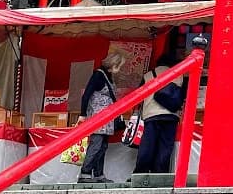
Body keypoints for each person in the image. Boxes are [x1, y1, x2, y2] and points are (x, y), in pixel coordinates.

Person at [77, 51, 126, 183]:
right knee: (96, 144)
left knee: (103, 146)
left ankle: (99, 174)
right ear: (113, 63)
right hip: (98, 117)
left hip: (107, 118)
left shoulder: (107, 76)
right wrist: (82, 114)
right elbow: (86, 94)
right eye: (119, 65)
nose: (119, 69)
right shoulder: (98, 75)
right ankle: (85, 173)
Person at [133, 53, 183, 174]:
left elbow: (139, 95)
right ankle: (159, 173)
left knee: (148, 145)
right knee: (165, 146)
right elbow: (182, 95)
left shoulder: (148, 75)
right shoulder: (179, 75)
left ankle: (141, 172)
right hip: (171, 115)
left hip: (151, 115)